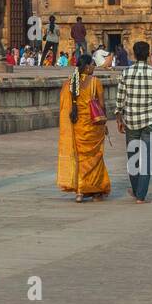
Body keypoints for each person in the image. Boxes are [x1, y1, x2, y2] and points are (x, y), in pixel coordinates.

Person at [115, 41, 152, 204]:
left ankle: (136, 188)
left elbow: (120, 98)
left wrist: (119, 118)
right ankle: (140, 195)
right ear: (147, 55)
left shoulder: (126, 72)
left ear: (133, 54)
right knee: (146, 158)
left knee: (133, 156)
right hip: (149, 121)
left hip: (131, 120)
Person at [57, 55, 110, 203]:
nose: (94, 67)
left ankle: (80, 191)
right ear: (87, 67)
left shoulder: (70, 83)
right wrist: (104, 124)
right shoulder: (95, 82)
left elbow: (64, 107)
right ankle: (95, 190)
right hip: (94, 127)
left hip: (77, 126)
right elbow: (102, 105)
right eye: (93, 64)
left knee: (80, 159)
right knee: (95, 157)